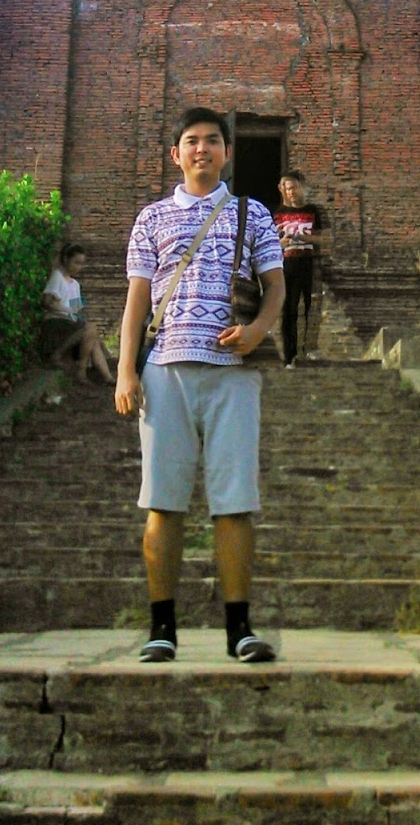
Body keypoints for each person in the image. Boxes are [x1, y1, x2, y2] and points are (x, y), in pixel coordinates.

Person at [115, 106, 285, 663]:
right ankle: (161, 628)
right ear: (176, 153)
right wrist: (125, 369)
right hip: (165, 368)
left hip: (233, 373)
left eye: (213, 141)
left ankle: (239, 628)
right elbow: (138, 298)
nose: (202, 150)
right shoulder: (152, 218)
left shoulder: (252, 213)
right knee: (162, 503)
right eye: (191, 141)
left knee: (234, 504)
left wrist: (258, 330)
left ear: (228, 153)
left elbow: (276, 287)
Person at [272, 170, 326, 368]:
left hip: (309, 264)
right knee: (289, 311)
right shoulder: (277, 214)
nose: (291, 192)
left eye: (294, 188)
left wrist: (304, 238)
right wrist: (281, 242)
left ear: (300, 188)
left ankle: (310, 351)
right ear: (282, 190)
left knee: (311, 310)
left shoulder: (312, 211)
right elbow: (268, 244)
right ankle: (290, 357)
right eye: (287, 189)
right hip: (287, 267)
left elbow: (322, 238)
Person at [39, 244, 114, 384]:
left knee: (93, 337)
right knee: (91, 328)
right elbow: (46, 302)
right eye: (76, 262)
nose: (79, 267)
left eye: (81, 263)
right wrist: (67, 311)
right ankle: (74, 366)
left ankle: (107, 377)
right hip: (56, 323)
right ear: (66, 259)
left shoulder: (75, 285)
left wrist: (77, 317)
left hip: (71, 324)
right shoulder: (57, 277)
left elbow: (77, 311)